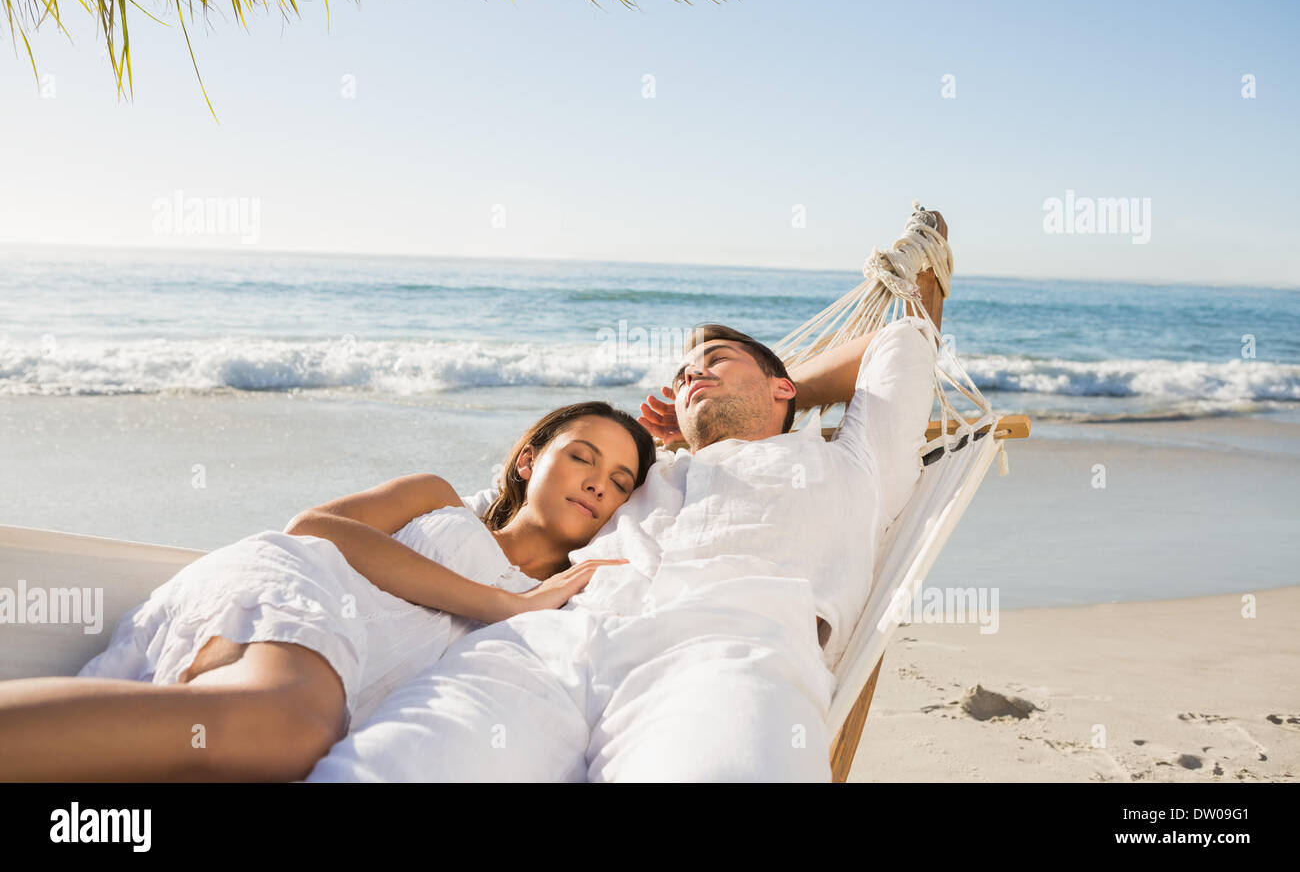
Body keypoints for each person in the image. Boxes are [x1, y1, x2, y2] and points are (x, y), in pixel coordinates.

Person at [306, 211, 949, 782]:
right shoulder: (644, 476)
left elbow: (903, 340)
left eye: (716, 360)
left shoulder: (852, 461)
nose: (691, 373)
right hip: (549, 646)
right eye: (683, 374)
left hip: (720, 651)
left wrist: (772, 392)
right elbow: (523, 511)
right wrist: (703, 418)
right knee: (398, 762)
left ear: (786, 388)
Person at [0, 401, 655, 781]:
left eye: (623, 480)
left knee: (235, 747)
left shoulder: (571, 596)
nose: (600, 482)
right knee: (287, 726)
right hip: (300, 589)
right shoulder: (438, 500)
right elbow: (315, 528)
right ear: (529, 459)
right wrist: (502, 603)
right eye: (582, 455)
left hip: (335, 676)